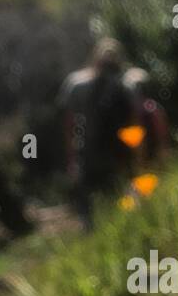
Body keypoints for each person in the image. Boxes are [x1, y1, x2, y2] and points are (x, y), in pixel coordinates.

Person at [58, 38, 164, 225]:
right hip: (119, 155)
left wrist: (72, 159)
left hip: (88, 156)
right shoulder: (125, 84)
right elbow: (136, 122)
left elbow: (69, 125)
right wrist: (141, 159)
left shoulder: (75, 84)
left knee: (93, 210)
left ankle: (96, 239)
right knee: (123, 202)